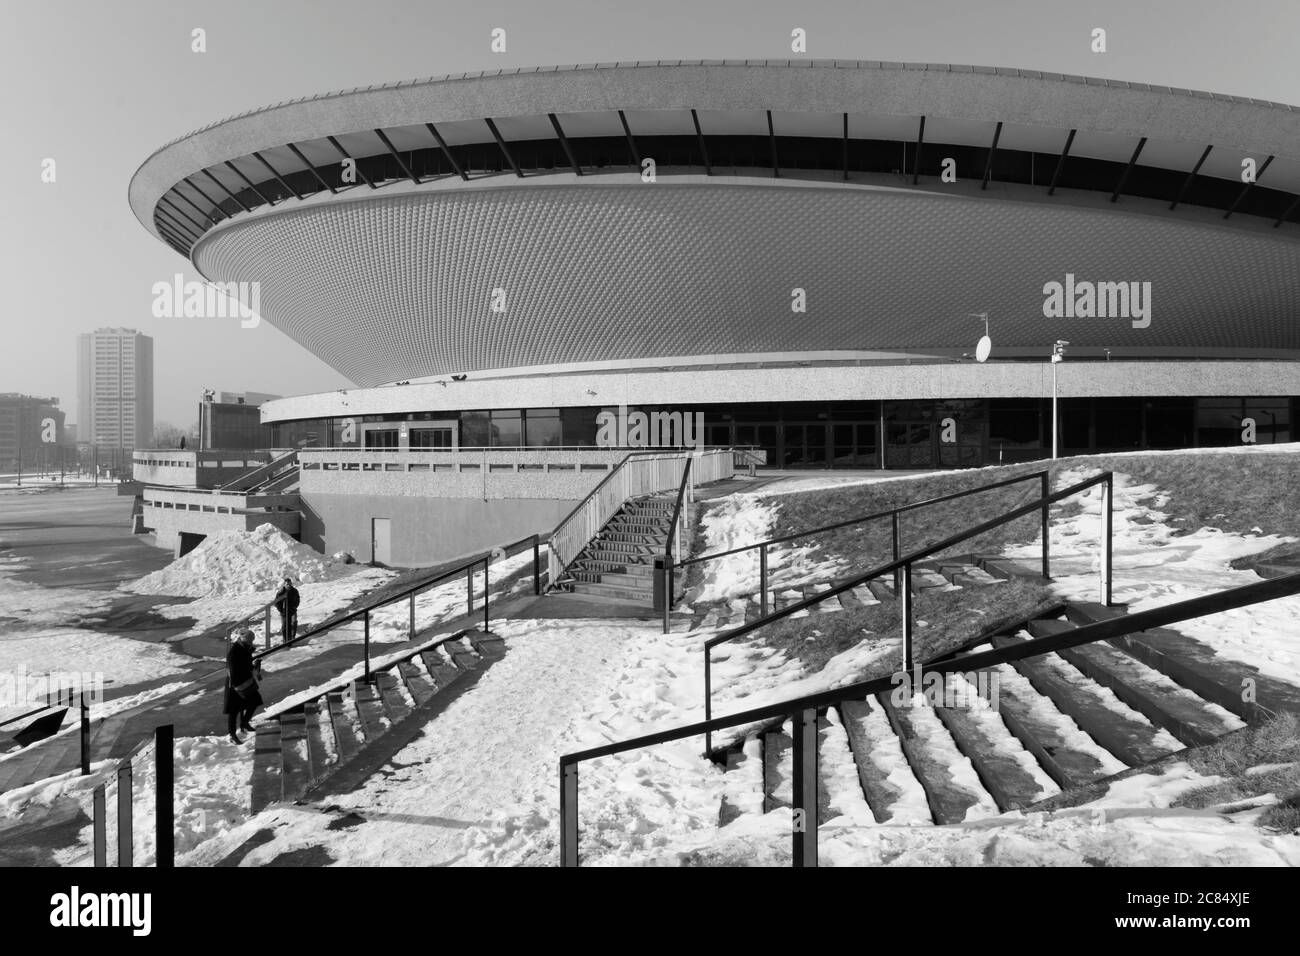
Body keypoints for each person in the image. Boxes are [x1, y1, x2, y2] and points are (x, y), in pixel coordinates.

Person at [224, 627, 262, 744]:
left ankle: (244, 722)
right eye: (250, 641)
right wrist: (237, 687)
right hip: (235, 685)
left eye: (252, 641)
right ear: (244, 640)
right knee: (234, 711)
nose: (251, 643)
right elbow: (233, 671)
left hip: (246, 682)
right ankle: (232, 735)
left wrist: (254, 666)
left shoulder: (245, 648)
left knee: (255, 701)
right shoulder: (234, 652)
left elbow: (246, 664)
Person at [273, 577, 300, 643]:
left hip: (292, 610)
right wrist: (281, 610)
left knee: (293, 623)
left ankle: (292, 637)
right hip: (284, 611)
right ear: (284, 584)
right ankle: (285, 639)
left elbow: (298, 600)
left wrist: (294, 607)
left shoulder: (294, 591)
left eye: (289, 584)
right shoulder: (280, 592)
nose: (289, 585)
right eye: (287, 584)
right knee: (285, 626)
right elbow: (276, 602)